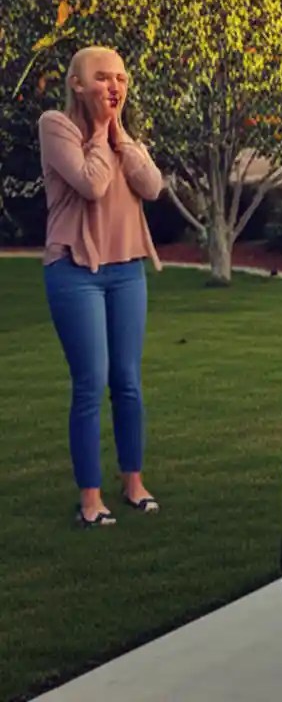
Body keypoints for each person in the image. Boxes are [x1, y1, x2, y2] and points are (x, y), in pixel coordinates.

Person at [39, 45, 166, 528]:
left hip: (126, 271)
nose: (114, 86)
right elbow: (92, 184)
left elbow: (151, 186)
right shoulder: (58, 126)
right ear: (77, 84)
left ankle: (133, 483)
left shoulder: (121, 136)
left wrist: (119, 136)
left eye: (120, 78)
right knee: (91, 383)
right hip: (75, 271)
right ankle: (90, 498)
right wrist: (98, 131)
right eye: (102, 78)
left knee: (128, 384)